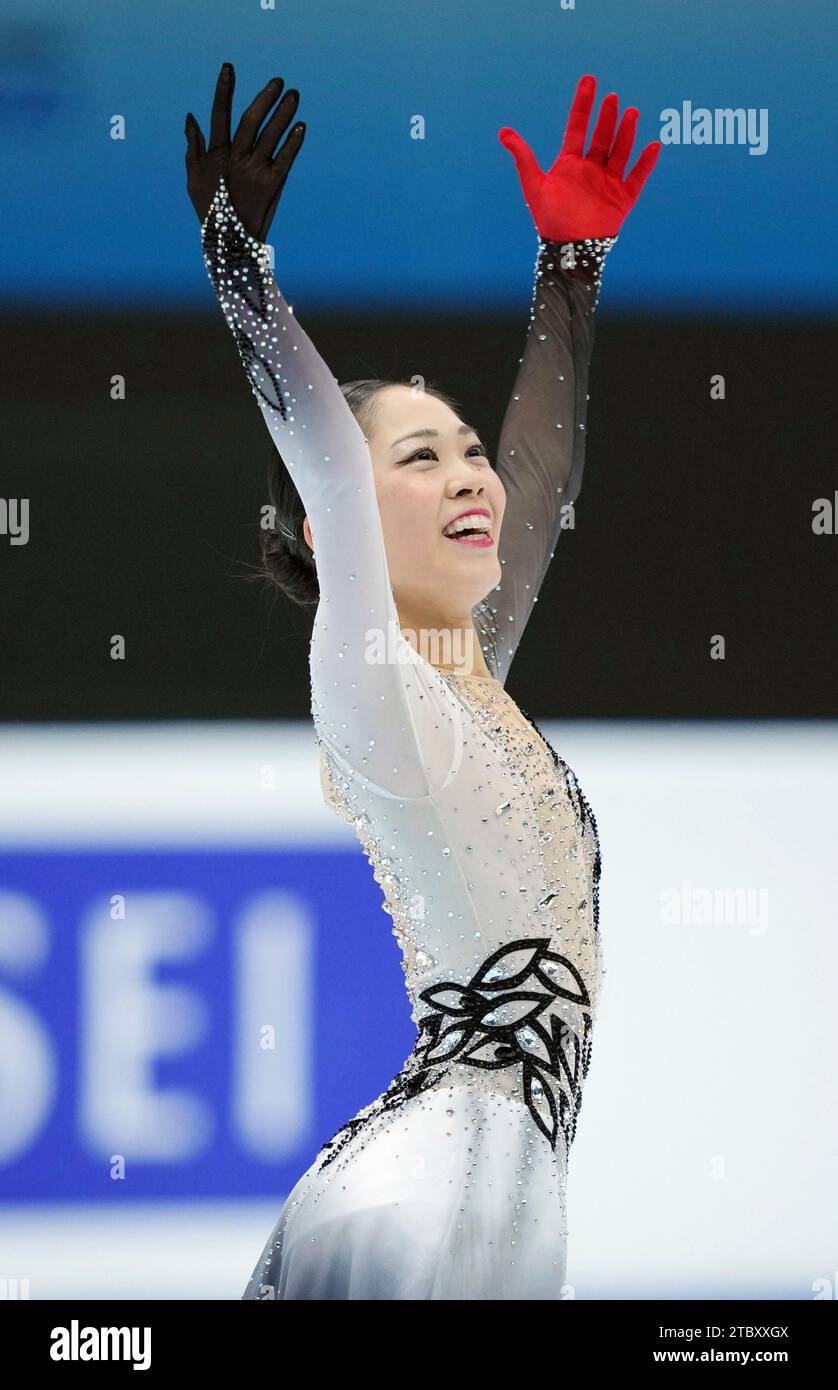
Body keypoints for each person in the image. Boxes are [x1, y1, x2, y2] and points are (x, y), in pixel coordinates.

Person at [185, 63, 660, 1300]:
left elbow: (541, 481)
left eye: (466, 451)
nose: (470, 475)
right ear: (319, 519)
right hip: (427, 1191)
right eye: (420, 456)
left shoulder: (466, 685)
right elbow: (332, 474)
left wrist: (572, 266)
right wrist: (237, 259)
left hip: (502, 1199)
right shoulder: (372, 681)